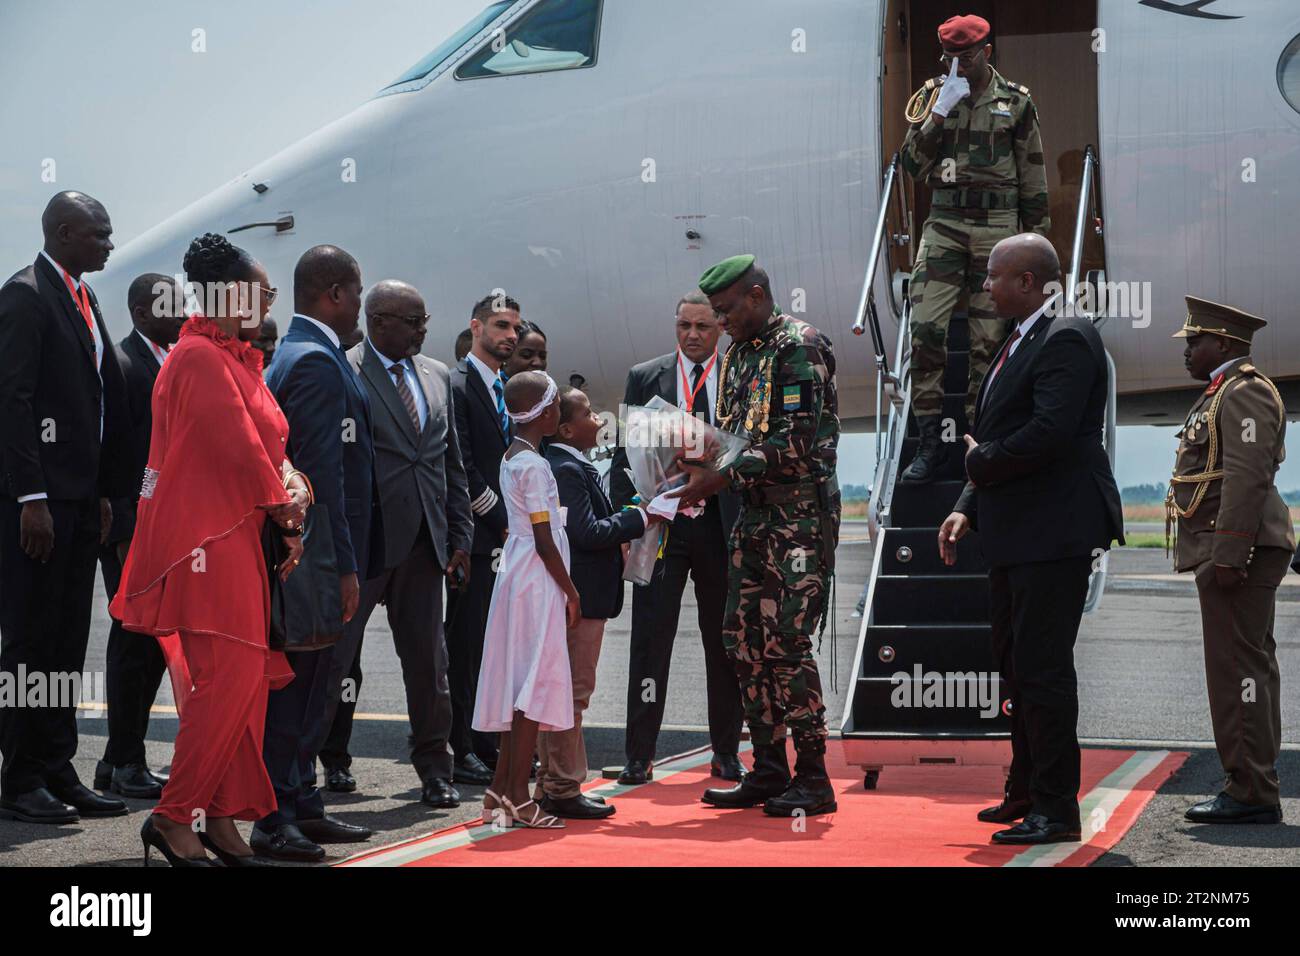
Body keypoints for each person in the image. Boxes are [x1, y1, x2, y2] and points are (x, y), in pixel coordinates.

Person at [111, 232, 309, 866]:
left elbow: (268, 447)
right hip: (206, 545)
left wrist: (294, 484)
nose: (268, 299)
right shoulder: (196, 357)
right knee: (226, 683)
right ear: (229, 292)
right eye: (264, 289)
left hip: (237, 540)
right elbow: (238, 451)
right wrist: (288, 511)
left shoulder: (233, 357)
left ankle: (222, 816)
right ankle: (174, 816)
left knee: (245, 686)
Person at [938, 233, 1123, 845]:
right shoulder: (1022, 338)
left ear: (1026, 281)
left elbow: (1049, 432)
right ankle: (1025, 789)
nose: (985, 285)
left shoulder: (1066, 336)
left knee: (1043, 671)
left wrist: (980, 467)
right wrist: (969, 506)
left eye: (994, 276)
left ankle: (1056, 807)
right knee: (1015, 667)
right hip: (1017, 532)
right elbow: (993, 434)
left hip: (1054, 533)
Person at [670, 255, 840, 818]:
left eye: (725, 311)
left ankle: (813, 778)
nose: (720, 323)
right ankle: (768, 769)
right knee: (740, 640)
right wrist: (692, 459)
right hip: (755, 516)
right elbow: (735, 438)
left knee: (787, 644)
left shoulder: (801, 347)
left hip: (800, 521)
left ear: (759, 295)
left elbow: (794, 443)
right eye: (714, 313)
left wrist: (714, 479)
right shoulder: (739, 354)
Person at [0, 191, 133, 825]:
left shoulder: (85, 297)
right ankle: (20, 775)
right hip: (40, 506)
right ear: (63, 232)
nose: (110, 243)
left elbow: (99, 402)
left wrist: (104, 492)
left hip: (81, 502)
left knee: (68, 641)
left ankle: (57, 764)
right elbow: (13, 403)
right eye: (98, 234)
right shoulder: (25, 295)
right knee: (30, 641)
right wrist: (31, 498)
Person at [317, 281, 474, 809]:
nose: (424, 330)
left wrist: (460, 535)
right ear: (380, 320)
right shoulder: (345, 368)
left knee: (430, 664)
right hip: (365, 545)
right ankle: (322, 763)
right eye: (414, 321)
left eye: (424, 319)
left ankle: (435, 767)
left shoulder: (437, 376)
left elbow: (449, 464)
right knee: (336, 661)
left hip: (424, 544)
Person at [256, 245, 381, 862]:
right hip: (315, 551)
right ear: (334, 293)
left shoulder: (300, 354)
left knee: (310, 684)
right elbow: (322, 480)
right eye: (357, 292)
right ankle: (274, 814)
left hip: (309, 546)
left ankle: (301, 801)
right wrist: (347, 567)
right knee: (301, 685)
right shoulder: (315, 362)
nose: (361, 304)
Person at [899, 14, 1050, 483]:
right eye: (949, 57)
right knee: (924, 333)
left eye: (965, 57)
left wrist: (1039, 249)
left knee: (988, 344)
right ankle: (929, 445)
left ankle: (977, 445)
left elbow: (1034, 175)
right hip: (945, 223)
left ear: (987, 52)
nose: (957, 65)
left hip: (998, 230)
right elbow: (911, 166)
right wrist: (939, 113)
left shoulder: (1016, 102)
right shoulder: (934, 97)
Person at [610, 291, 745, 785]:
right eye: (684, 325)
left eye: (703, 327)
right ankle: (638, 754)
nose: (692, 335)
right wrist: (628, 519)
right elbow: (626, 455)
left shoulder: (737, 373)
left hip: (719, 526)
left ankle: (727, 752)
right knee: (650, 640)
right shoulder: (645, 377)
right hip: (662, 526)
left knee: (723, 643)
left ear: (720, 329)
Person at [1168, 297, 1293, 825]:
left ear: (1222, 342)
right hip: (1227, 550)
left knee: (1239, 672)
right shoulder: (1221, 394)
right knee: (1241, 669)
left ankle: (1250, 791)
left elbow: (1245, 477)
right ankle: (1250, 783)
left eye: (1194, 341)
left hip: (1235, 554)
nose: (1187, 351)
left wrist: (1230, 551)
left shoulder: (1244, 392)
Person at [539, 387, 655, 819]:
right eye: (589, 413)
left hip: (581, 597)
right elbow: (585, 533)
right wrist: (640, 517)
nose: (599, 419)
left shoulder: (570, 463)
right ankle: (563, 787)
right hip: (581, 600)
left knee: (562, 692)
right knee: (573, 693)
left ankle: (552, 782)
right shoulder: (567, 468)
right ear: (567, 428)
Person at [473, 371, 578, 829]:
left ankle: (500, 788)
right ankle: (518, 793)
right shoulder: (534, 466)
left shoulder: (513, 455)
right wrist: (571, 591)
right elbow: (543, 537)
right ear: (548, 411)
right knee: (532, 683)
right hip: (536, 579)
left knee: (518, 680)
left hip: (516, 574)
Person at [94, 273, 182, 800]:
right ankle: (124, 759)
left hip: (167, 527)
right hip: (135, 531)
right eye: (169, 305)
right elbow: (117, 456)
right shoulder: (125, 365)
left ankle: (117, 760)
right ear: (140, 311)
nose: (181, 313)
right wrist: (124, 534)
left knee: (149, 646)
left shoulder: (170, 360)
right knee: (133, 644)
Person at [446, 293, 523, 784]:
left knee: (498, 647)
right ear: (476, 327)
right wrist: (503, 518)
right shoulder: (456, 384)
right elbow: (462, 466)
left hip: (507, 539)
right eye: (500, 326)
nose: (510, 336)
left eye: (515, 327)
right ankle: (462, 745)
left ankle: (490, 740)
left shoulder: (506, 387)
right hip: (476, 540)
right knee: (467, 646)